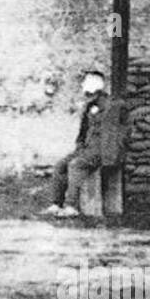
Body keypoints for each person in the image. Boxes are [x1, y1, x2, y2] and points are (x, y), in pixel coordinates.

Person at [44, 70, 129, 217]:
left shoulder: (112, 105)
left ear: (94, 85)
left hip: (101, 151)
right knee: (60, 165)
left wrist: (109, 157)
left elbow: (113, 136)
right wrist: (79, 146)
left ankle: (72, 206)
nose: (83, 85)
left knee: (75, 165)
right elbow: (83, 131)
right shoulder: (90, 105)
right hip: (87, 149)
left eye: (86, 82)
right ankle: (56, 204)